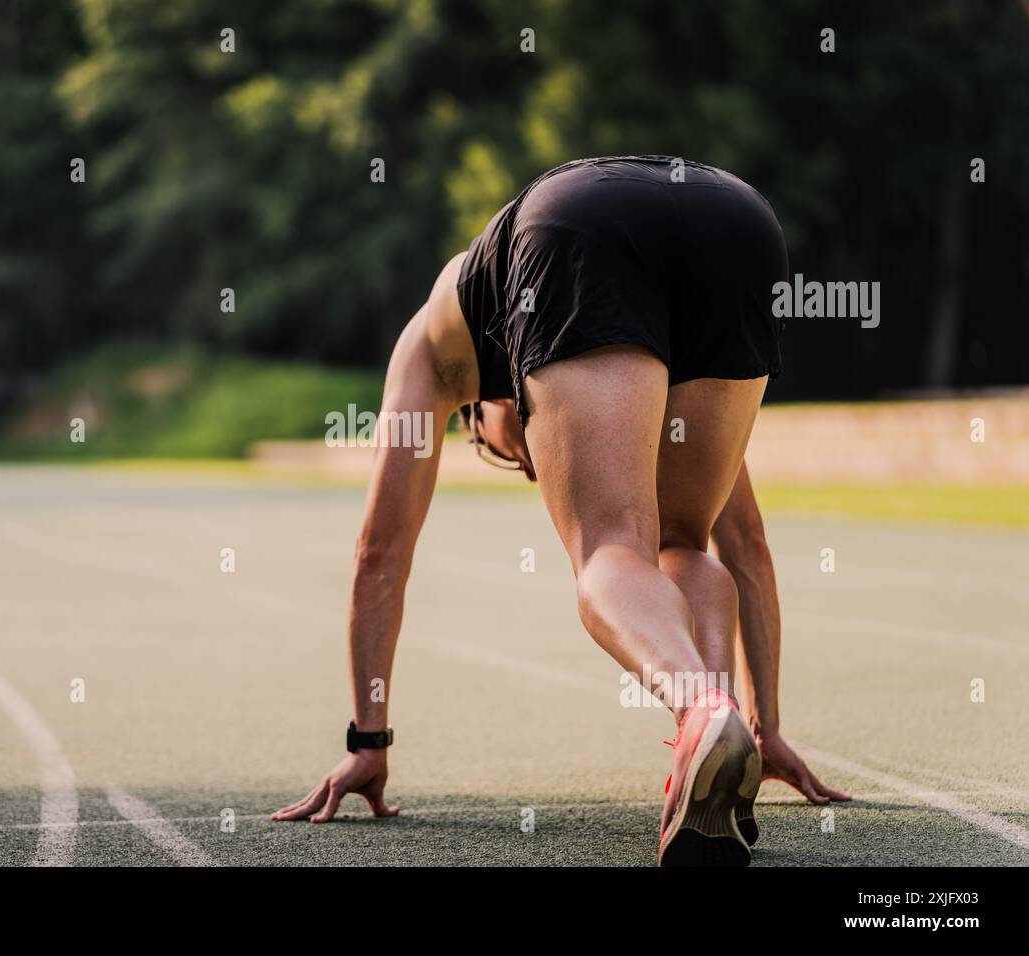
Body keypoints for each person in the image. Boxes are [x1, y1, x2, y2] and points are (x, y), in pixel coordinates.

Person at [271, 156, 849, 865]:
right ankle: (714, 742)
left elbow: (378, 553)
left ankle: (702, 710)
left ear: (478, 416)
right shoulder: (621, 368)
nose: (525, 459)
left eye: (501, 450)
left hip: (576, 222)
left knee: (613, 545)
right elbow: (741, 543)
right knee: (683, 541)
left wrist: (368, 741)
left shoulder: (431, 350)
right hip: (737, 217)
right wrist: (763, 729)